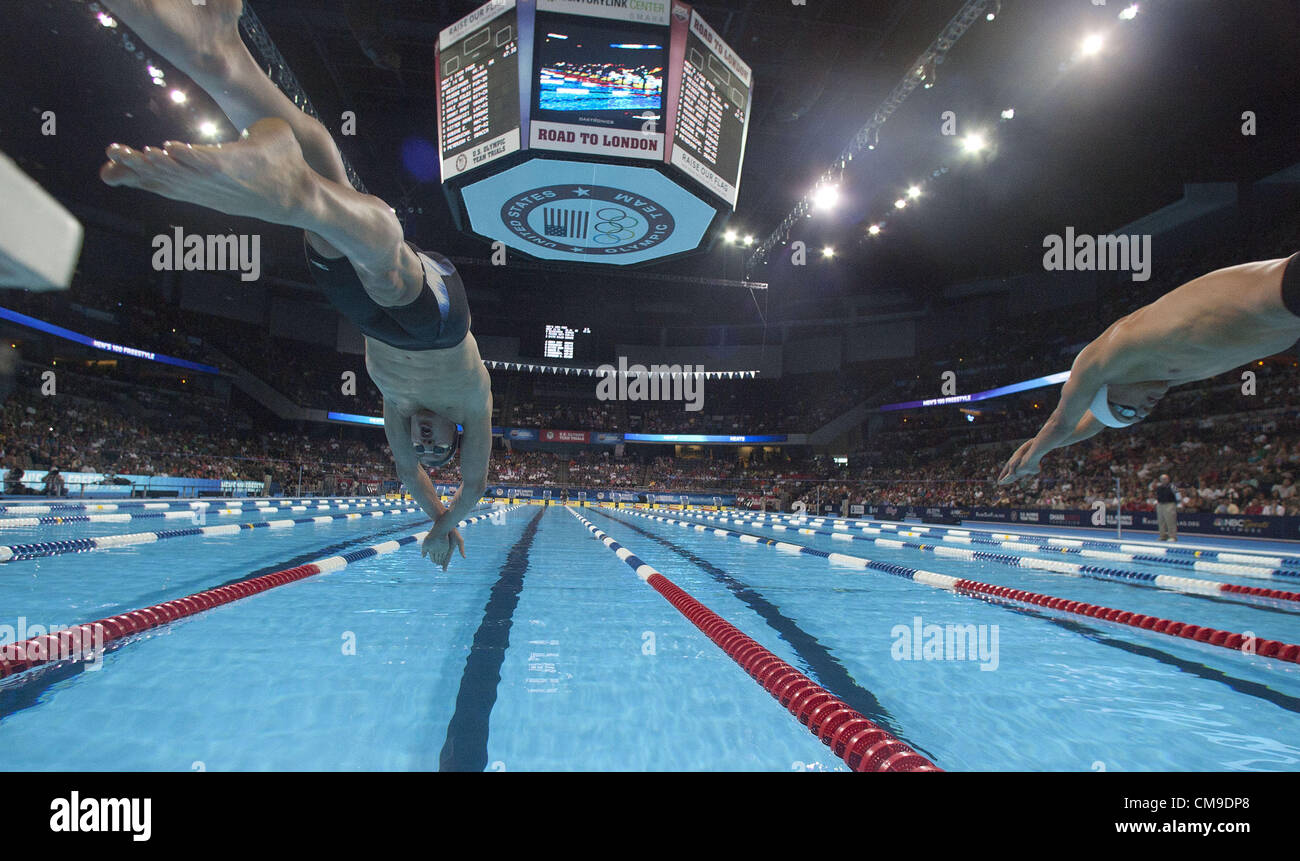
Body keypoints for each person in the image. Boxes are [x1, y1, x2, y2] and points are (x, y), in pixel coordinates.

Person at [94, 0, 490, 570]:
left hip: (367, 324)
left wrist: (431, 513)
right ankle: (294, 191)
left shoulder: (396, 411)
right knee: (386, 271)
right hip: (440, 324)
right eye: (437, 447)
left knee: (327, 193)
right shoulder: (473, 404)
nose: (424, 445)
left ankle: (221, 62)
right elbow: (472, 486)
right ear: (454, 434)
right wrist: (447, 521)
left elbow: (408, 473)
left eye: (423, 448)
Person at [999, 254, 1300, 485]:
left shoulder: (1105, 358)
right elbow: (1093, 424)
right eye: (1132, 418)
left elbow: (1064, 422)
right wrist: (1039, 446)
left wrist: (1034, 456)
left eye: (1129, 412)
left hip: (1285, 285)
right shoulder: (1175, 372)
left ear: (1108, 388)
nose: (1142, 414)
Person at [1154, 473, 1178, 542]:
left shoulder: (1172, 486)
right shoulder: (1159, 487)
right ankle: (1163, 536)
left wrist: (1179, 504)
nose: (1164, 480)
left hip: (1169, 504)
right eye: (1162, 479)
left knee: (1170, 521)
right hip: (1160, 505)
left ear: (1168, 479)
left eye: (1165, 479)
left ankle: (1172, 536)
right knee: (1161, 521)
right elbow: (1157, 496)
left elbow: (1178, 494)